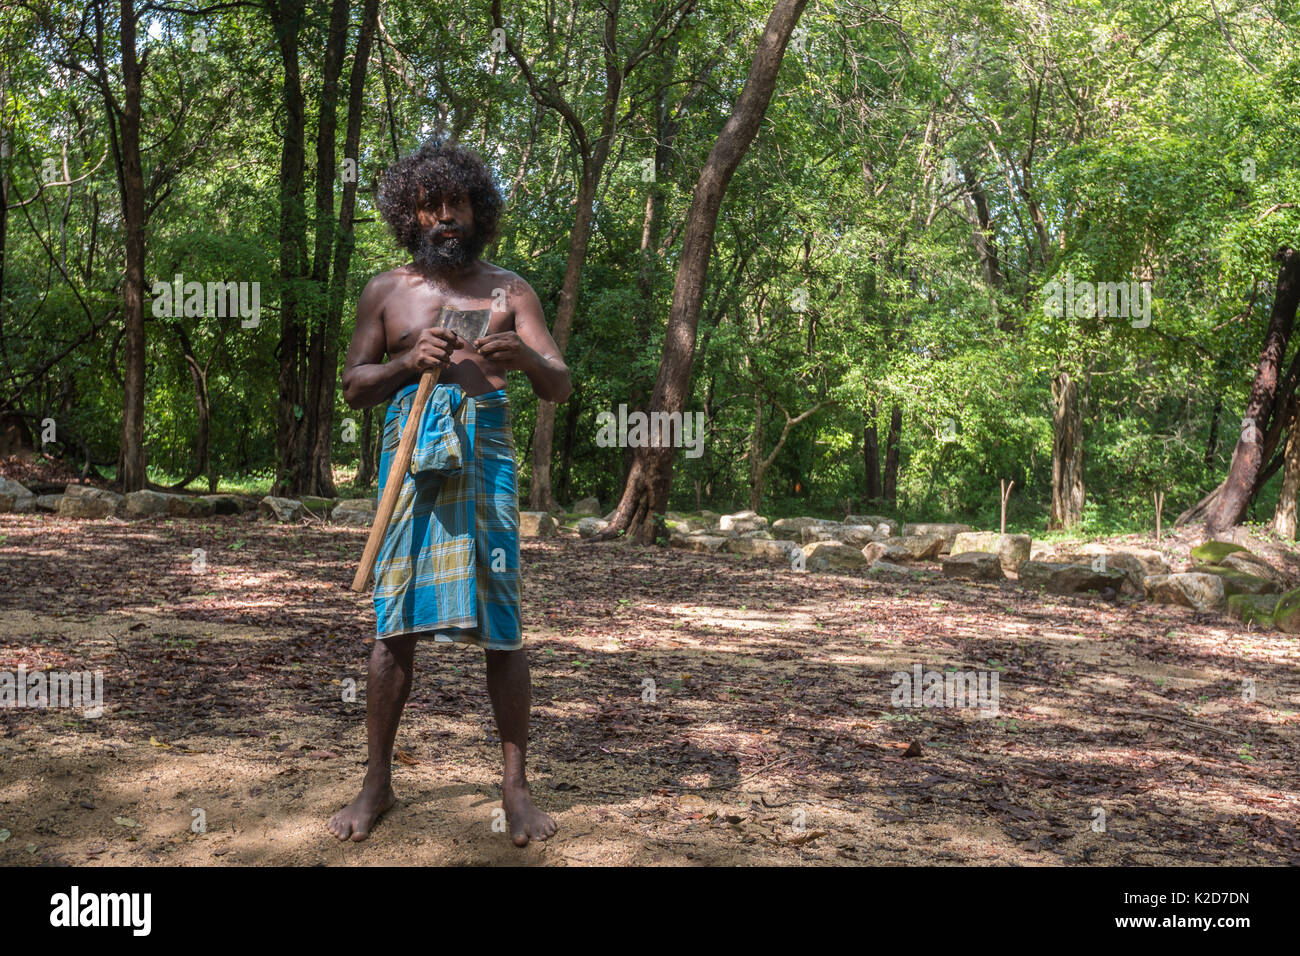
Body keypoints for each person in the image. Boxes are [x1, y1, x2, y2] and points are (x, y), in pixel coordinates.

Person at [330, 138, 570, 846]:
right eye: (430, 206)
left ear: (477, 210)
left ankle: (516, 790)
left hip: (486, 461)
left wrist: (524, 356)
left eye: (456, 203)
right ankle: (377, 783)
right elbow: (353, 389)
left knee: (504, 627)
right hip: (408, 465)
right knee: (393, 624)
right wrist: (408, 362)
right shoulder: (387, 290)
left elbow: (559, 383)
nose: (445, 217)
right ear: (409, 214)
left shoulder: (511, 290)